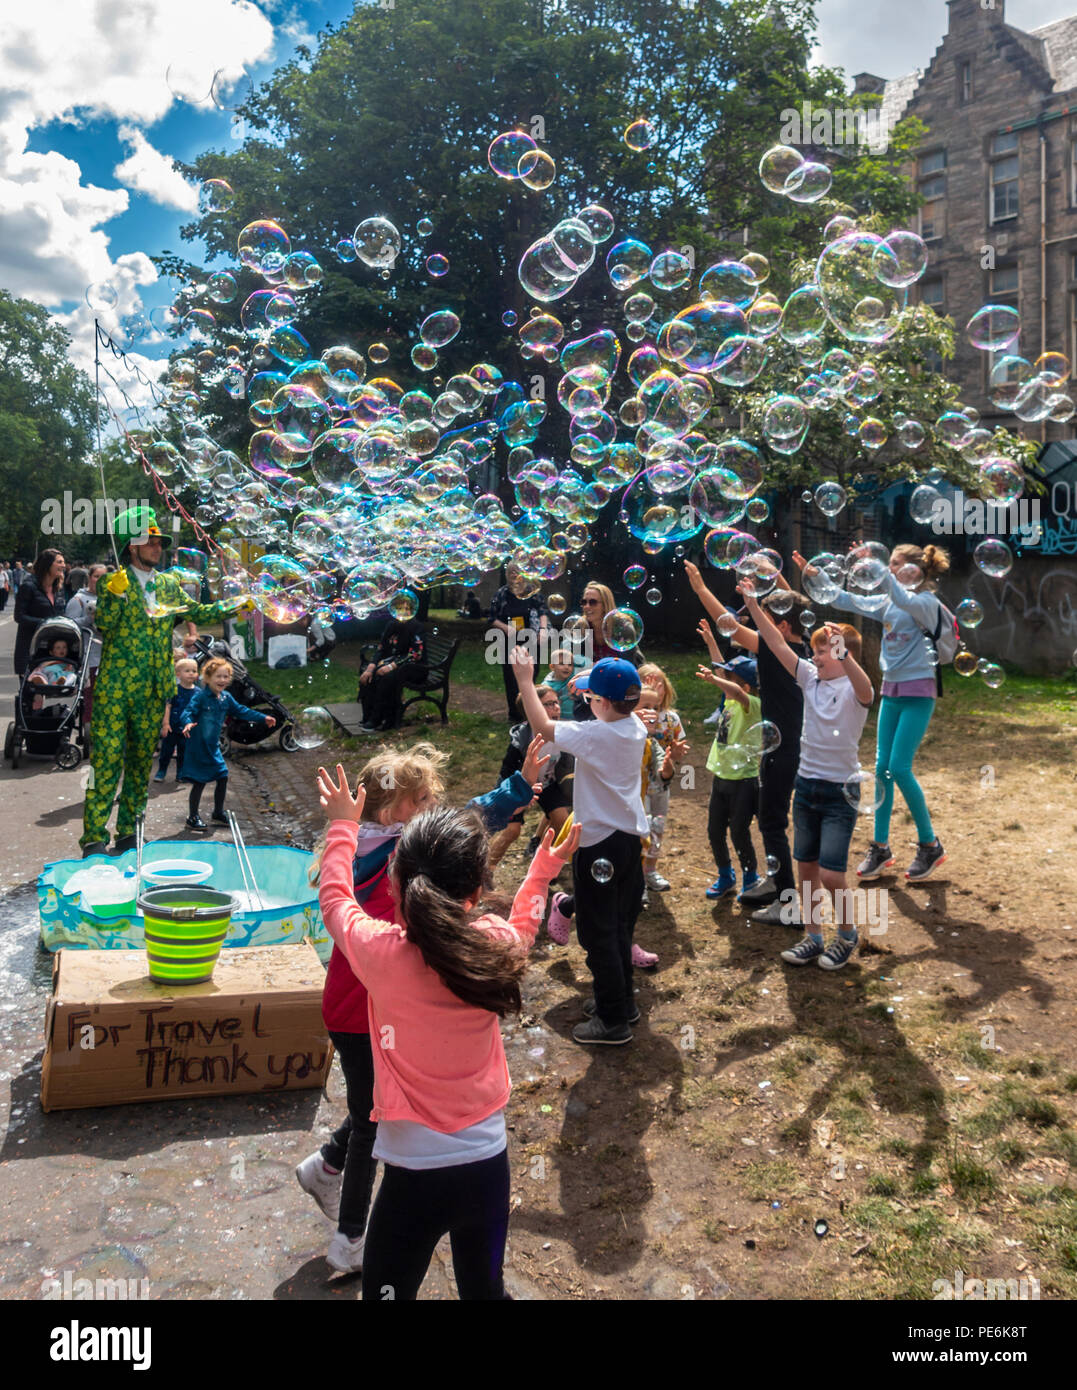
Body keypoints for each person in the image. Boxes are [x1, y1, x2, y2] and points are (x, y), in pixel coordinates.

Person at [317, 765, 581, 1300]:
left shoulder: (381, 954)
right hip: (487, 1168)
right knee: (486, 1293)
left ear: (395, 883)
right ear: (477, 888)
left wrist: (344, 826)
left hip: (412, 1178)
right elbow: (525, 926)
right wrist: (543, 868)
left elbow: (335, 900)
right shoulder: (494, 945)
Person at [81, 507, 246, 857]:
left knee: (141, 764)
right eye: (151, 541)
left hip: (154, 690)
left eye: (160, 541)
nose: (158, 547)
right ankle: (94, 839)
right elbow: (105, 625)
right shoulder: (112, 583)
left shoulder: (168, 586)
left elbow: (198, 612)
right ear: (132, 546)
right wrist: (115, 596)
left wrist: (239, 603)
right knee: (105, 764)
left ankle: (129, 832)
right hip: (115, 690)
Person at [514, 647, 649, 1045]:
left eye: (591, 697)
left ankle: (612, 1021)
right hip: (629, 842)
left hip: (598, 847)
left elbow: (542, 726)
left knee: (597, 933)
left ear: (601, 702)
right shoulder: (635, 725)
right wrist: (592, 687)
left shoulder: (594, 735)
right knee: (620, 926)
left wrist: (524, 680)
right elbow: (614, 701)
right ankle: (622, 1002)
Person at [740, 577, 875, 970]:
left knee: (832, 875)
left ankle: (846, 935)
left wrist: (843, 654)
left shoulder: (854, 692)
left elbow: (866, 687)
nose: (816, 657)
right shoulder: (808, 679)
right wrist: (753, 605)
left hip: (840, 794)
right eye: (815, 651)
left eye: (824, 651)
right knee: (808, 872)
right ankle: (813, 938)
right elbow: (776, 642)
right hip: (807, 789)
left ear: (845, 654)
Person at [797, 542, 949, 883]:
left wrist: (876, 568)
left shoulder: (925, 603)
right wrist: (817, 576)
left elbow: (905, 600)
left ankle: (930, 844)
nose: (889, 569)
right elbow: (844, 599)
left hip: (919, 692)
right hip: (891, 691)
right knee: (882, 770)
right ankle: (880, 847)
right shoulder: (887, 602)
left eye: (894, 564)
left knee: (899, 767)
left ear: (915, 571)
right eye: (888, 564)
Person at [686, 560, 810, 924]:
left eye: (767, 619)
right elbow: (791, 607)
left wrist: (700, 589)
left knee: (771, 822)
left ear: (781, 627)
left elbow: (728, 624)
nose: (761, 625)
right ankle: (776, 880)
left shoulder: (773, 651)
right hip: (791, 746)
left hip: (779, 751)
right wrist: (775, 576)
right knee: (773, 819)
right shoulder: (804, 649)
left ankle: (787, 901)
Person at [696, 655, 762, 901]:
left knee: (738, 831)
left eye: (729, 680)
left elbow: (736, 690)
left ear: (746, 686)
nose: (723, 682)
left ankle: (751, 877)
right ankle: (726, 876)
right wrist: (710, 641)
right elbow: (721, 671)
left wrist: (715, 680)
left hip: (743, 780)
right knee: (714, 831)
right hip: (721, 776)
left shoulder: (752, 704)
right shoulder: (730, 701)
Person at [180, 658, 275, 830]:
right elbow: (187, 712)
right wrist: (187, 723)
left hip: (213, 747)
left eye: (225, 677)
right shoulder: (200, 697)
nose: (222, 680)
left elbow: (241, 710)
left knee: (222, 776)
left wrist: (263, 718)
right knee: (200, 781)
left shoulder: (226, 698)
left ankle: (217, 812)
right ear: (207, 678)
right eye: (218, 676)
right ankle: (192, 817)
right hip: (199, 747)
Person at [487, 685, 573, 869]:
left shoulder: (563, 733)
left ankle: (543, 863)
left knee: (562, 820)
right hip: (519, 787)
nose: (556, 708)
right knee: (512, 831)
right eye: (549, 704)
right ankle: (486, 871)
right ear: (532, 711)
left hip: (547, 784)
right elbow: (506, 773)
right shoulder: (521, 741)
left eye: (556, 702)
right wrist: (513, 797)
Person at [636, 663, 686, 892]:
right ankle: (637, 877)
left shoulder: (671, 719)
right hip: (637, 784)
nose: (655, 687)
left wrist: (674, 757)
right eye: (648, 682)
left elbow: (675, 748)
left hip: (660, 780)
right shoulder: (634, 717)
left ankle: (650, 870)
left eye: (659, 683)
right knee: (641, 829)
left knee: (657, 825)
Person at [488, 563, 549, 720]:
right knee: (511, 677)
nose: (514, 574)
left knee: (532, 674)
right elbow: (491, 618)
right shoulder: (501, 594)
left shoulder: (532, 592)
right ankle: (514, 714)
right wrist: (506, 628)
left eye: (517, 571)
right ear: (506, 575)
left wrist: (543, 630)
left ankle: (528, 712)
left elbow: (542, 611)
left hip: (531, 639)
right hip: (510, 641)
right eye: (510, 572)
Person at [357, 613, 427, 732]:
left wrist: (391, 666)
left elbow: (415, 654)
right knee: (368, 675)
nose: (402, 612)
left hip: (416, 668)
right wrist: (370, 667)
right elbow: (381, 649)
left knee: (387, 678)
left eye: (406, 609)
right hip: (397, 665)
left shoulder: (417, 627)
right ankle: (368, 716)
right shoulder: (391, 625)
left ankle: (381, 719)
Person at [66, 562, 107, 730]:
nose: (100, 580)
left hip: (108, 656)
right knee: (90, 697)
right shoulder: (78, 600)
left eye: (104, 577)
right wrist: (89, 619)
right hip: (90, 656)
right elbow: (70, 625)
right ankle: (89, 729)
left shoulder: (112, 598)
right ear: (89, 578)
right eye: (97, 576)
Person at [13, 549, 66, 675]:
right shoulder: (28, 586)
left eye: (63, 562)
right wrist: (45, 623)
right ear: (47, 564)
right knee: (32, 685)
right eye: (59, 562)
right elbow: (19, 616)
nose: (63, 565)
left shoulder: (58, 589)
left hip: (51, 649)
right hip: (30, 648)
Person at [154, 656, 199, 783]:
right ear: (178, 674)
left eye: (194, 671)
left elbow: (199, 710)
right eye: (187, 671)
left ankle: (181, 772)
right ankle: (162, 770)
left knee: (184, 752)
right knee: (166, 751)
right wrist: (165, 724)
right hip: (172, 726)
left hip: (187, 729)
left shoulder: (198, 692)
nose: (191, 673)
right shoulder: (174, 690)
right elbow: (168, 706)